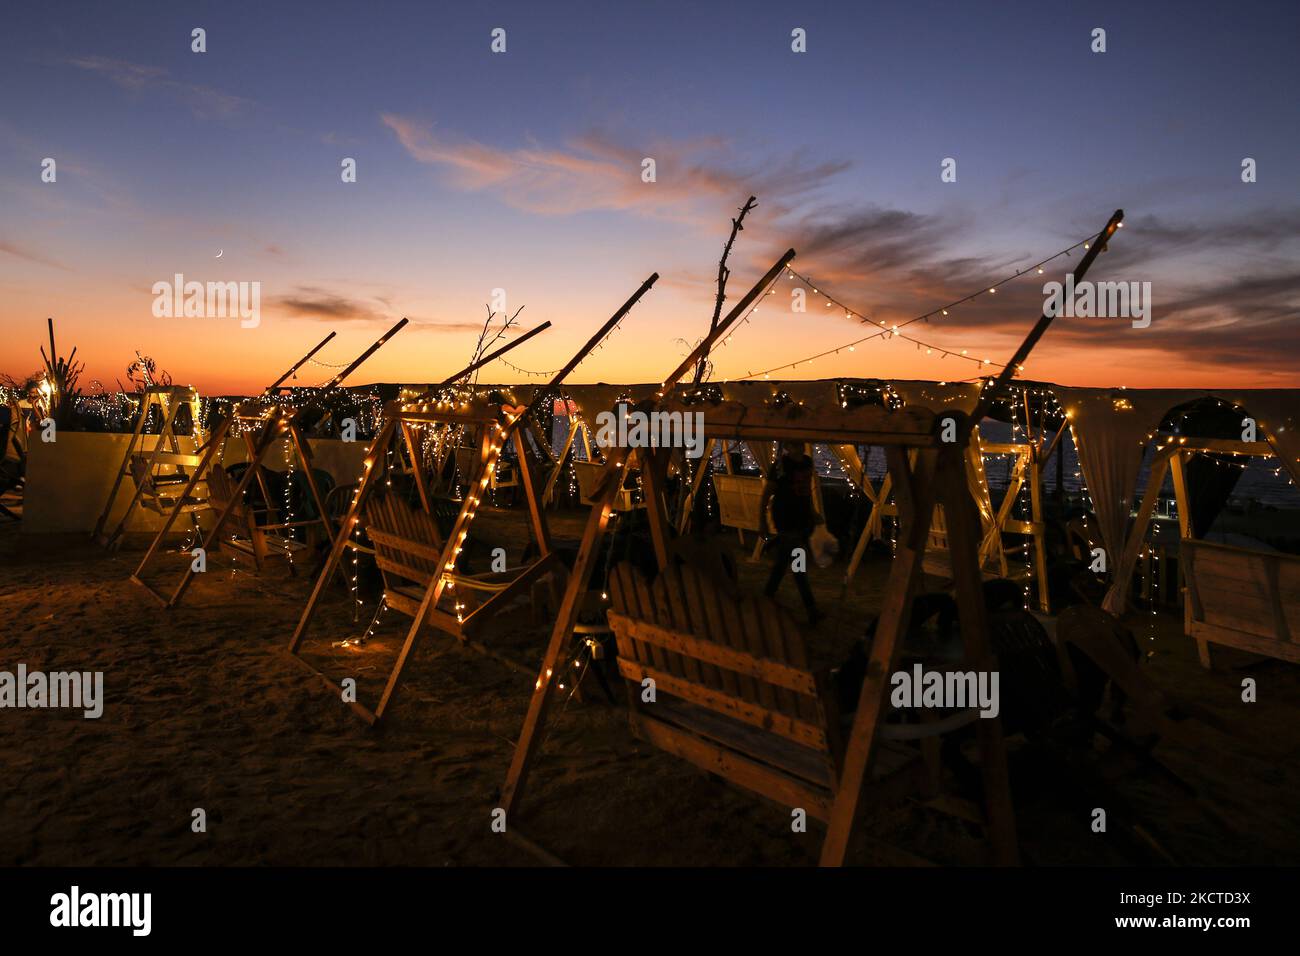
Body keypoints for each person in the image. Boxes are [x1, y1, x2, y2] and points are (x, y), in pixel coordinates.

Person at [759, 441, 822, 624]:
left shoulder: (807, 463)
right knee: (799, 565)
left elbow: (806, 491)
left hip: (801, 519)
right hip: (786, 520)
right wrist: (762, 520)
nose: (798, 448)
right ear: (787, 446)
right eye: (794, 444)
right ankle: (811, 609)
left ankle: (765, 598)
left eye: (800, 444)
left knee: (781, 565)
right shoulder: (781, 466)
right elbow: (767, 494)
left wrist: (812, 512)